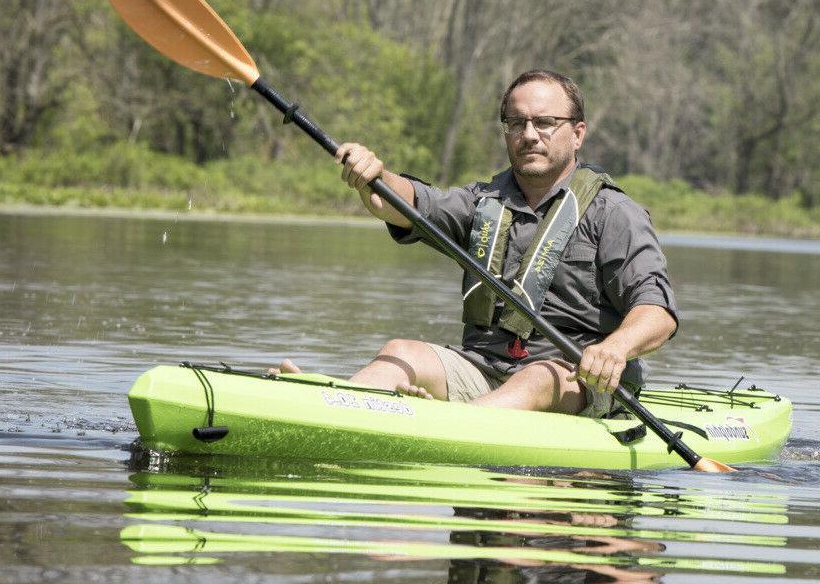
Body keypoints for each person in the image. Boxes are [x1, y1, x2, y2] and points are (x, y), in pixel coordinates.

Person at [281, 69, 677, 416]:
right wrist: (375, 175)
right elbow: (406, 202)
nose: (529, 135)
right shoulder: (482, 203)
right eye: (516, 123)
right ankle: (331, 405)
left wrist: (617, 348)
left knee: (538, 377)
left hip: (577, 380)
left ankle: (443, 426)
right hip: (484, 370)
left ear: (577, 134)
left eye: (545, 122)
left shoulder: (615, 213)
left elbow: (657, 312)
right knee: (401, 352)